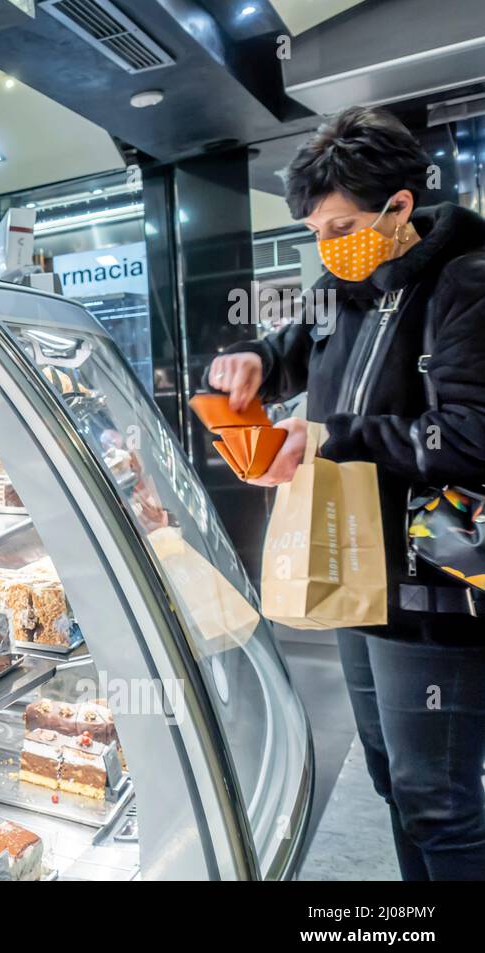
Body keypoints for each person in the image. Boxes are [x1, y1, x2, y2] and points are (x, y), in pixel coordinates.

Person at [210, 106, 485, 880]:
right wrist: (257, 362)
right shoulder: (346, 280)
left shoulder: (467, 283)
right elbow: (296, 347)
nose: (327, 251)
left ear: (401, 207)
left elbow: (471, 435)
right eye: (315, 234)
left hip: (436, 581)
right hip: (355, 568)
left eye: (341, 229)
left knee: (438, 798)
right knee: (391, 781)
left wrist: (334, 438)